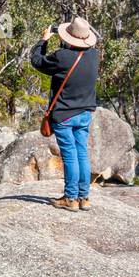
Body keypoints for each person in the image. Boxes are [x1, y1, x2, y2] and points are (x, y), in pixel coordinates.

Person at [30, 16, 101, 211]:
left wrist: (43, 41)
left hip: (64, 115)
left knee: (70, 156)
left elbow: (37, 61)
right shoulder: (94, 56)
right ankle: (84, 198)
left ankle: (70, 199)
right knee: (81, 154)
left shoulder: (62, 57)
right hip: (85, 112)